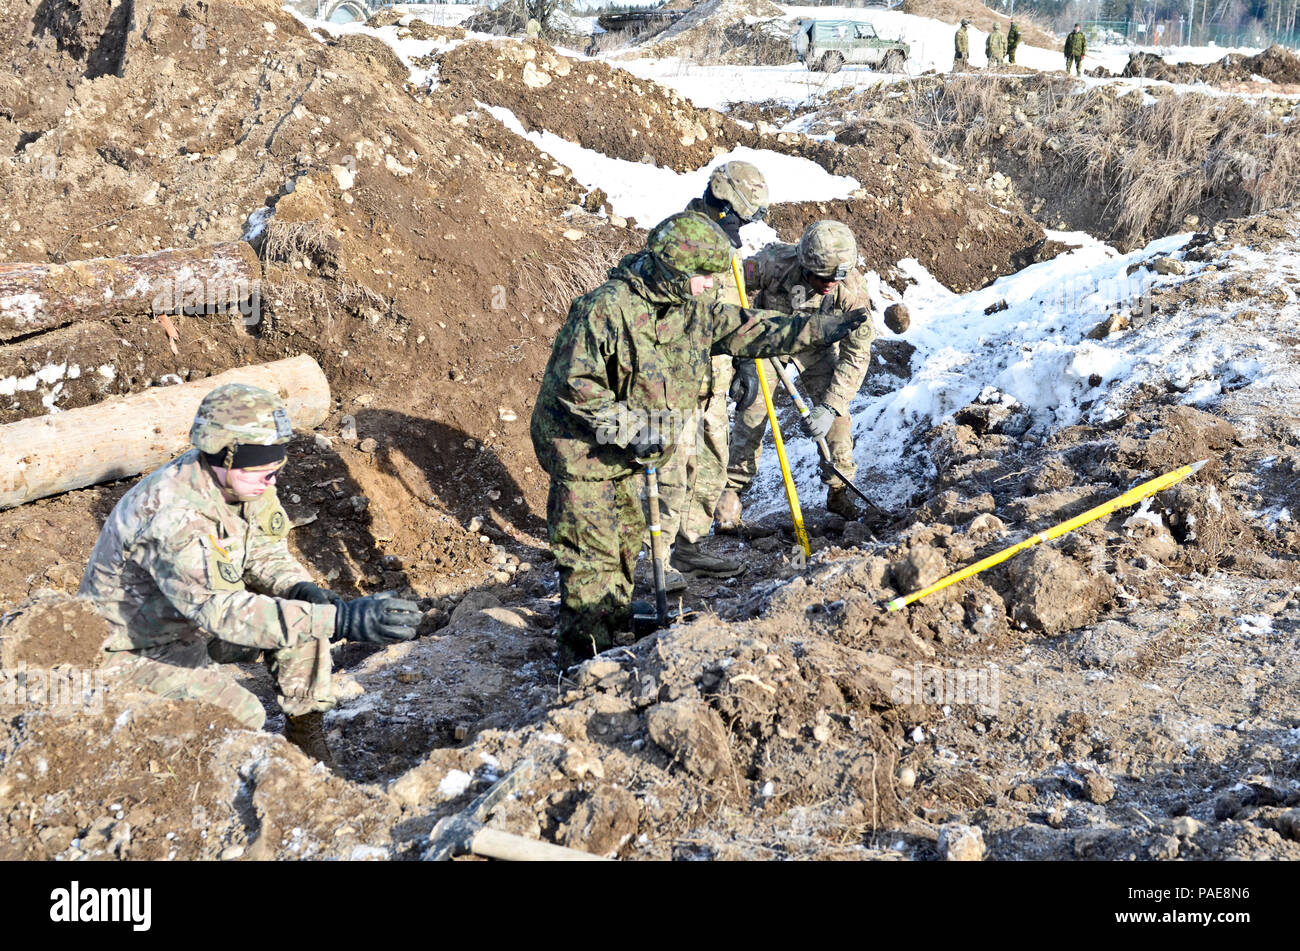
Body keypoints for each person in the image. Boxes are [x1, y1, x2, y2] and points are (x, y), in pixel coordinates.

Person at [530, 212, 870, 666]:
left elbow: (747, 327)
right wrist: (635, 430)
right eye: (705, 275)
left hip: (631, 458)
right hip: (586, 459)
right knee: (592, 565)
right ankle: (581, 669)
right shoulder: (607, 311)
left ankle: (613, 644)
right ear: (674, 272)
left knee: (626, 551)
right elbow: (576, 389)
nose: (714, 284)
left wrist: (813, 330)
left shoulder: (691, 308)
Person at [80, 383, 421, 764]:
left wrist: (298, 586)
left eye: (276, 467)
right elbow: (221, 610)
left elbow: (262, 549)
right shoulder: (173, 514)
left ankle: (305, 739)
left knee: (302, 617)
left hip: (195, 626)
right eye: (262, 468)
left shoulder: (247, 482)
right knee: (240, 716)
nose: (271, 481)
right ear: (222, 457)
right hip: (134, 650)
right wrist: (340, 620)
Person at [720, 220, 885, 525]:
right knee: (752, 413)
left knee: (837, 420)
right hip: (766, 343)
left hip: (816, 349)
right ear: (805, 263)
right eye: (823, 277)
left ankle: (839, 492)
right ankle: (731, 496)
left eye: (836, 277)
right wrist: (740, 347)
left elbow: (857, 352)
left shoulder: (850, 291)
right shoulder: (774, 263)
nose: (829, 284)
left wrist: (831, 404)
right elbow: (731, 287)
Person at [656, 160, 771, 591]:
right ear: (723, 203)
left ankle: (688, 546)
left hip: (715, 375)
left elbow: (729, 310)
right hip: (677, 377)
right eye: (743, 214)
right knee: (673, 466)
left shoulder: (726, 245)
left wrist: (742, 361)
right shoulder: (679, 237)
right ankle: (656, 557)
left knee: (711, 461)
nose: (744, 224)